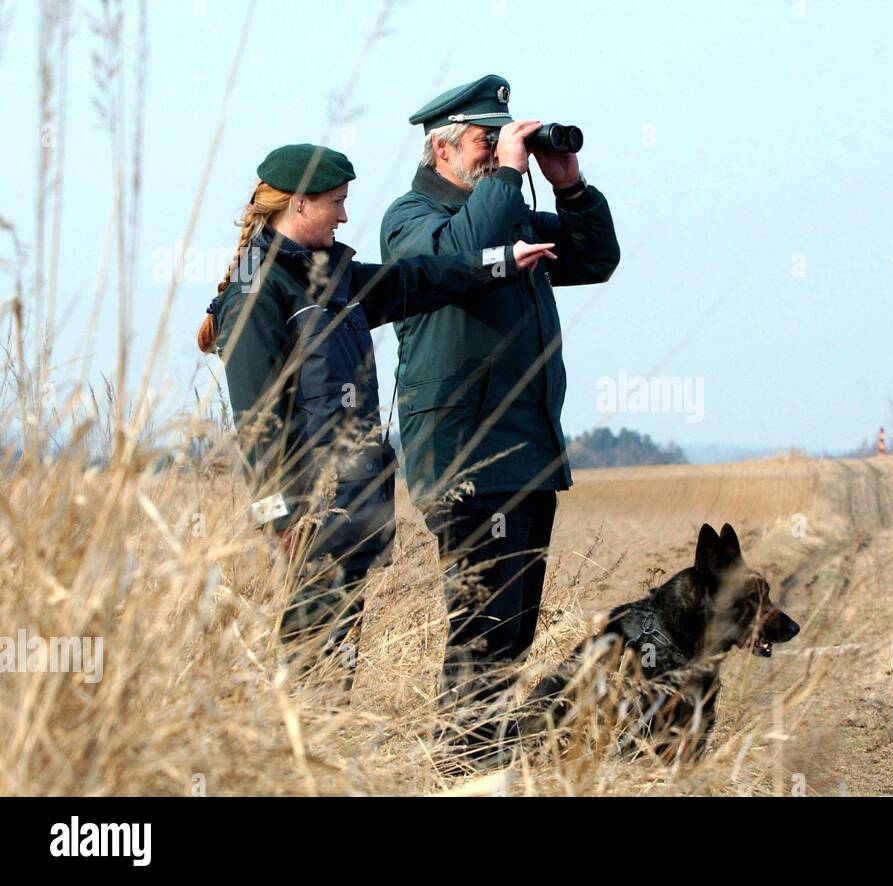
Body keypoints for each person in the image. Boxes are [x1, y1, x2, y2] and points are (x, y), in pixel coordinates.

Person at [198, 143, 555, 692]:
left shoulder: (333, 278)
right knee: (311, 673)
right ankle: (289, 772)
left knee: (335, 666)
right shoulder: (256, 293)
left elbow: (420, 278)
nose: (344, 215)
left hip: (350, 507)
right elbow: (256, 422)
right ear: (297, 204)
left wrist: (503, 261)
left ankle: (319, 768)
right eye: (336, 203)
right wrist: (281, 519)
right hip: (308, 520)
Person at [380, 75, 620, 714]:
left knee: (511, 635)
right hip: (466, 456)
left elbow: (596, 258)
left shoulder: (504, 209)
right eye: (487, 140)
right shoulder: (411, 220)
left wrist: (567, 183)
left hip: (528, 453)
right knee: (481, 632)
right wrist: (509, 178)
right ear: (443, 150)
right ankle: (461, 766)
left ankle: (483, 759)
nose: (497, 151)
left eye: (502, 140)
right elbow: (462, 257)